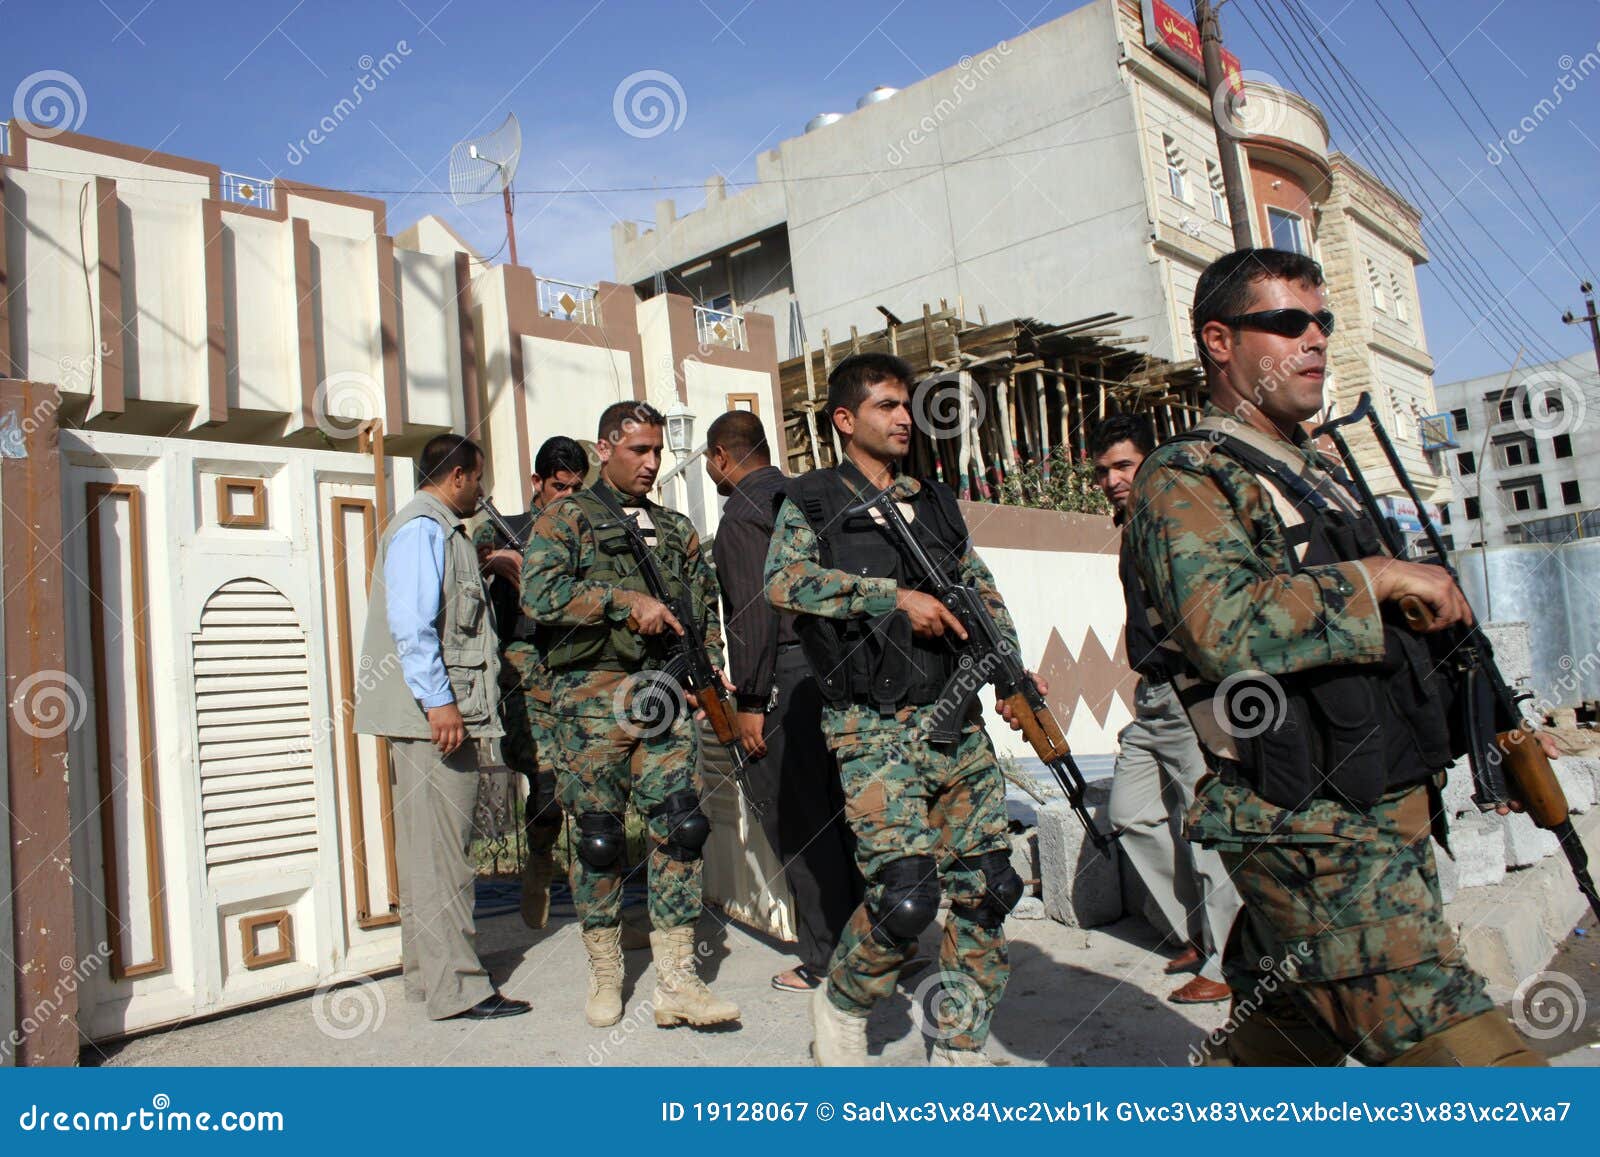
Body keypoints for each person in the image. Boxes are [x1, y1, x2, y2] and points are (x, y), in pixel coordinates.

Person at [1126, 247, 1543, 1066]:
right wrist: (1379, 577)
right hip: (1309, 818)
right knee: (1458, 1050)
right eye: (1286, 322)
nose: (1313, 339)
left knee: (1293, 1012)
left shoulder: (1317, 470)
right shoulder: (1186, 476)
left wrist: (1495, 720)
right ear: (1220, 340)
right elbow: (1223, 624)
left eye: (1322, 322)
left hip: (1380, 800)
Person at [765, 353, 1030, 1067]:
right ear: (845, 420)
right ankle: (845, 1002)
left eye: (907, 404)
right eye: (886, 405)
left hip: (956, 721)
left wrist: (1010, 672)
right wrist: (890, 598)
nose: (905, 417)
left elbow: (981, 589)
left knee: (988, 886)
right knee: (905, 895)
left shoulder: (935, 501)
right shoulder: (814, 500)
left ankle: (963, 1043)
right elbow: (785, 584)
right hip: (873, 727)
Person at [522, 401, 740, 1031]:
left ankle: (676, 980)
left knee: (683, 826)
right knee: (599, 836)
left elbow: (704, 612)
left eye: (657, 453)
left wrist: (708, 673)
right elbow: (540, 594)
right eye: (638, 450)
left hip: (667, 694)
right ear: (604, 448)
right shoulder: (567, 519)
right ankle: (606, 970)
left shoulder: (676, 529)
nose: (651, 463)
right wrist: (622, 602)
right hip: (594, 697)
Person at [353, 434, 531, 1021]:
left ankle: (426, 979)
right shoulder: (424, 529)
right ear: (457, 476)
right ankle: (459, 987)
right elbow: (412, 625)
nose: (481, 491)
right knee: (445, 859)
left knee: (427, 855)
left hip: (432, 716)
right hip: (434, 719)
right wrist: (440, 703)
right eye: (478, 479)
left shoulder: (437, 532)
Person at [704, 410, 865, 995]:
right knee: (850, 812)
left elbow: (752, 616)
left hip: (786, 675)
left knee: (799, 822)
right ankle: (876, 944)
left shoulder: (743, 516)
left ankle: (827, 957)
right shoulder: (813, 495)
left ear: (722, 456)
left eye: (709, 462)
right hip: (841, 670)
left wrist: (750, 700)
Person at [1091, 414, 1238, 1005]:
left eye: (1123, 466)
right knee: (1131, 814)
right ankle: (1196, 933)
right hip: (1151, 697)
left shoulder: (1174, 519)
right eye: (1102, 471)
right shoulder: (1134, 526)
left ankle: (1228, 964)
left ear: (1151, 461)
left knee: (1203, 830)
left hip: (1187, 694)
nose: (1111, 480)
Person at [472, 436, 587, 930]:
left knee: (589, 783)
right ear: (537, 483)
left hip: (579, 667)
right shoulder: (506, 529)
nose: (566, 497)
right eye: (558, 487)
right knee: (543, 779)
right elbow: (468, 561)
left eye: (576, 488)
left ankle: (595, 895)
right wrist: (497, 563)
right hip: (526, 667)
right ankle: (540, 857)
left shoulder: (587, 531)